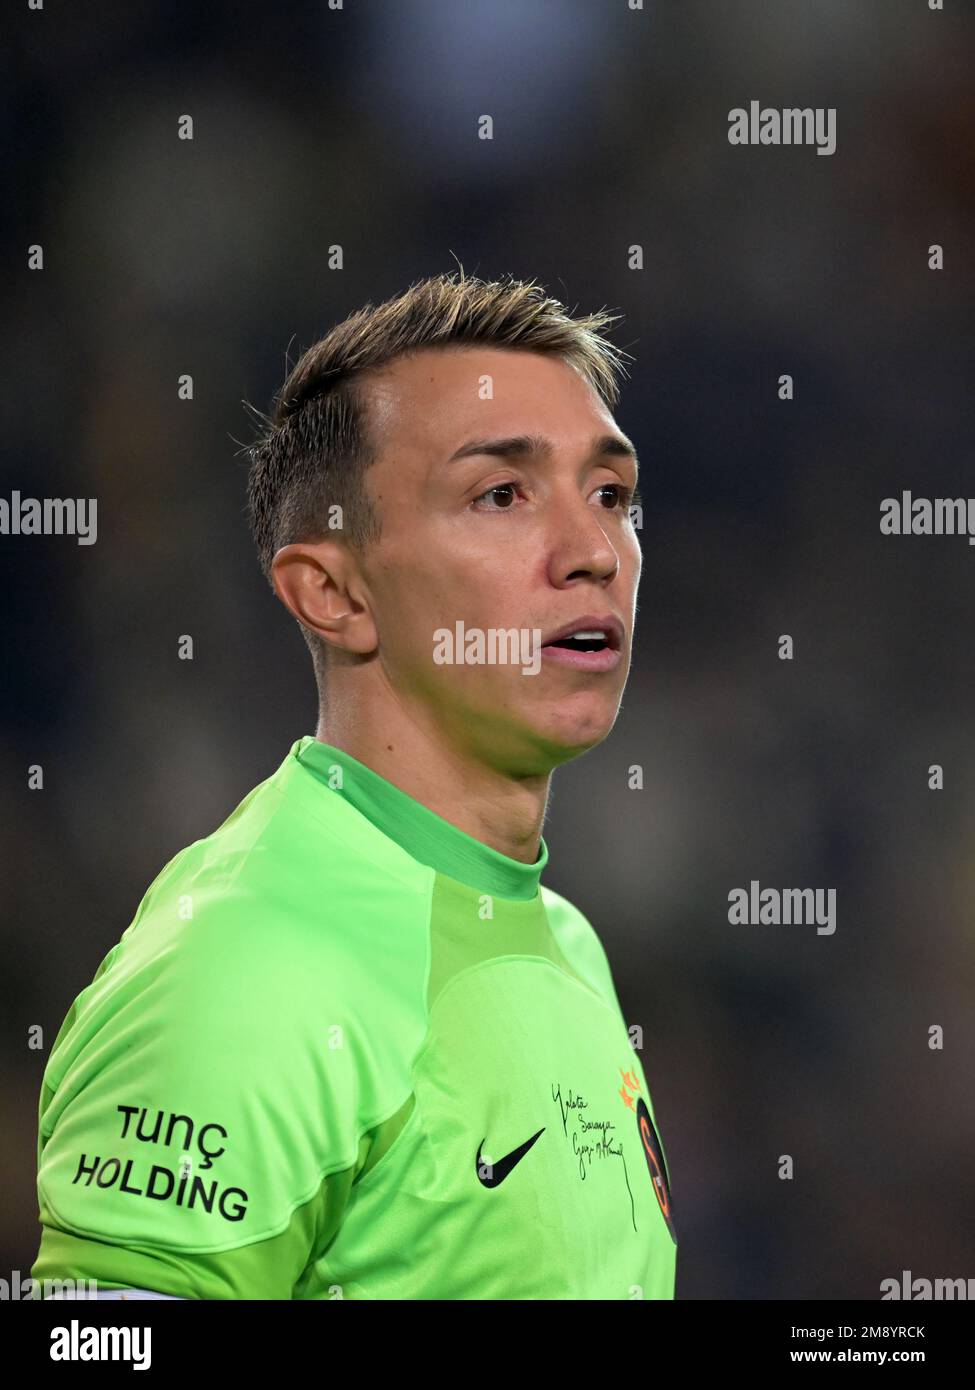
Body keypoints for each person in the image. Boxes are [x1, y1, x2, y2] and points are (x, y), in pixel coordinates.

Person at [32, 271, 677, 1299]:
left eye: (611, 495)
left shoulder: (567, 943)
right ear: (332, 593)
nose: (595, 552)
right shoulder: (244, 966)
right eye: (502, 494)